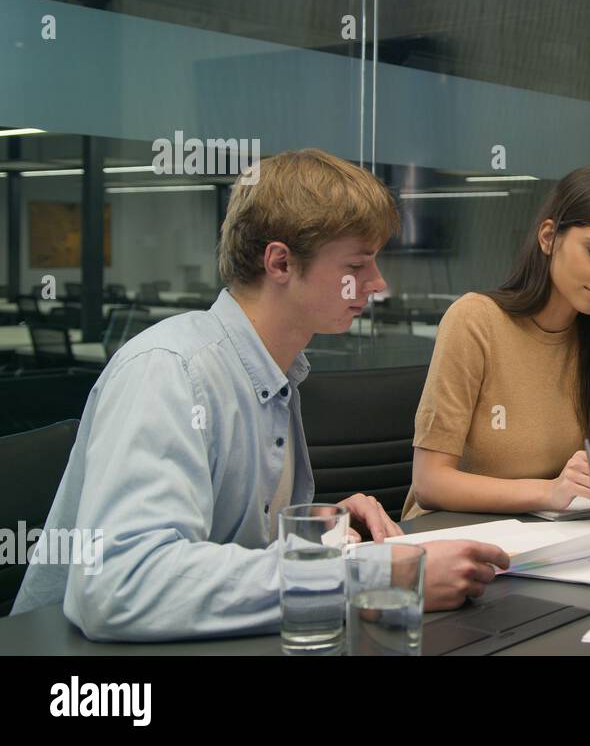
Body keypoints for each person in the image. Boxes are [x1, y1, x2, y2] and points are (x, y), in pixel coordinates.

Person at [12, 149, 508, 641]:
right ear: (280, 262)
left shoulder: (273, 371)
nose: (378, 284)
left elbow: (223, 551)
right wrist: (370, 577)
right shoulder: (171, 371)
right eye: (357, 264)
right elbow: (122, 584)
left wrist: (318, 528)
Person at [403, 166, 590, 517]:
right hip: (452, 537)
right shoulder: (475, 320)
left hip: (545, 540)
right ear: (549, 237)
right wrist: (549, 492)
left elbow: (583, 474)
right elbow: (429, 484)